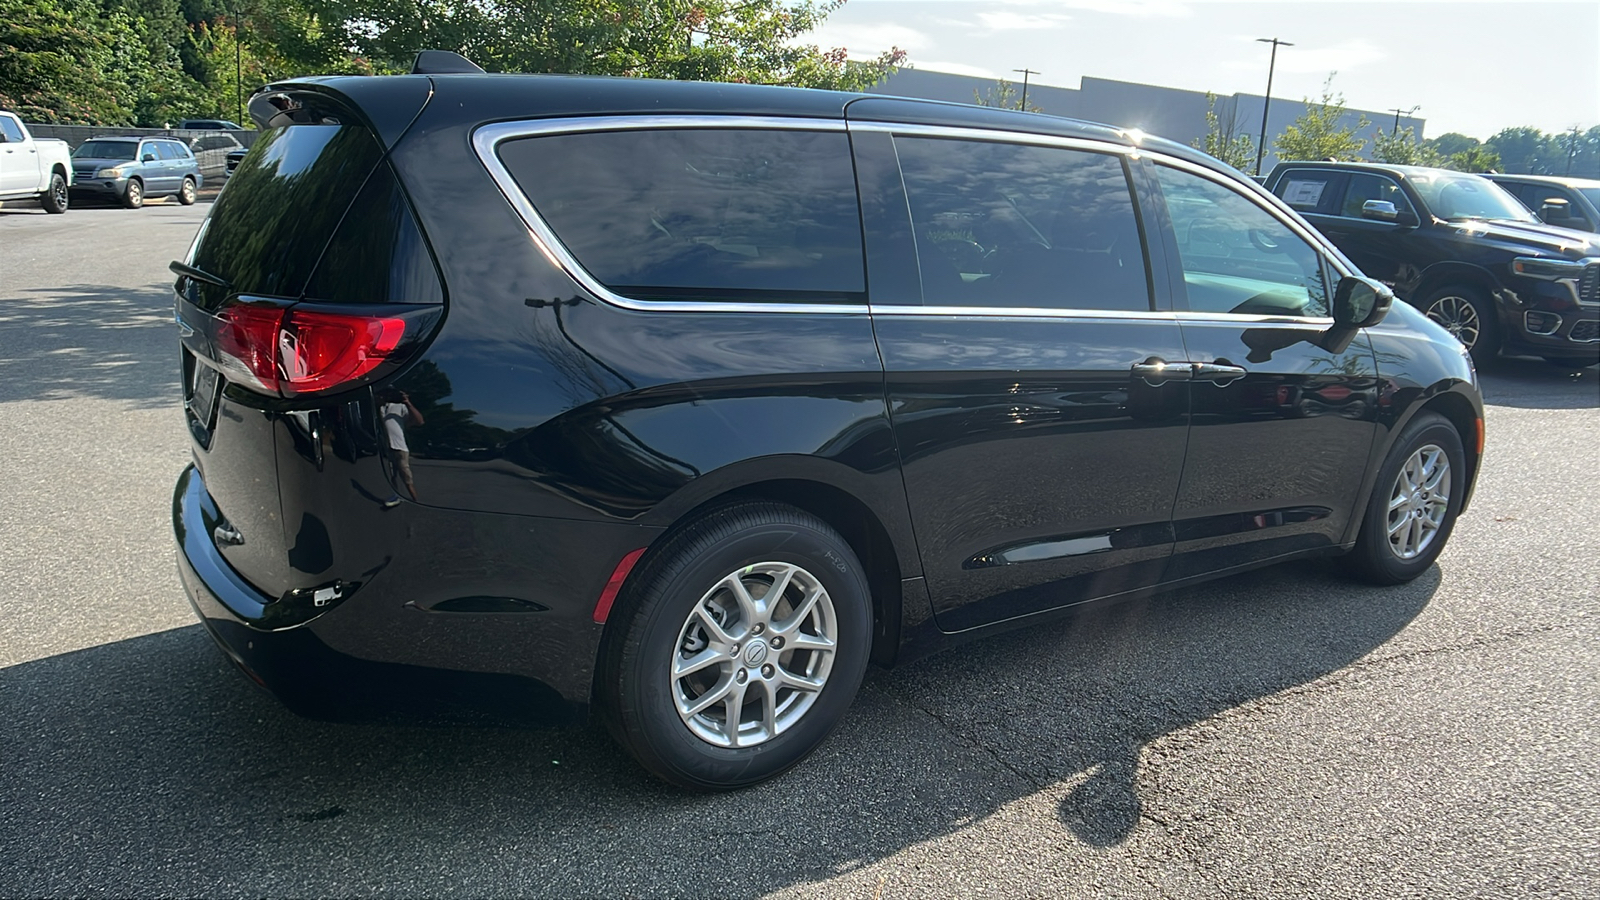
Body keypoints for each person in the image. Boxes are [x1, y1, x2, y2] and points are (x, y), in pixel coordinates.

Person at [379, 389, 423, 506]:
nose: (386, 397)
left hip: (400, 447)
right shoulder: (381, 409)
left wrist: (407, 402)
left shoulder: (400, 407)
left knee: (406, 477)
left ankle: (416, 501)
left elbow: (419, 421)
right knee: (391, 474)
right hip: (388, 448)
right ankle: (396, 496)